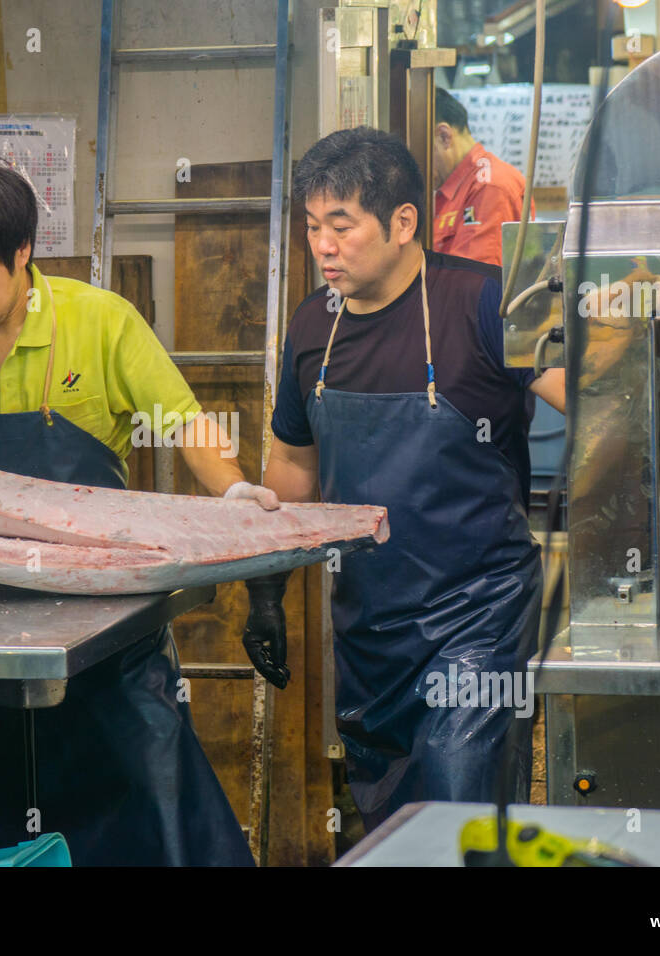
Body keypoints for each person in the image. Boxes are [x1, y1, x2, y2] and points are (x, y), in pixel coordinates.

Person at [0, 157, 276, 865]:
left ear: (24, 253)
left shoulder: (98, 323)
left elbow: (184, 423)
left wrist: (233, 492)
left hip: (108, 630)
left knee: (153, 815)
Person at [239, 127, 565, 832]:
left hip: (479, 621)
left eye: (341, 226)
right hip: (372, 632)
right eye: (311, 227)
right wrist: (264, 588)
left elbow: (605, 401)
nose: (322, 246)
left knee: (460, 820)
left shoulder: (488, 302)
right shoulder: (308, 329)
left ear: (403, 223)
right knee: (391, 828)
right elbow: (293, 469)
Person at [432, 87, 533, 267]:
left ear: (444, 137)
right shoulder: (452, 190)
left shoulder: (489, 187)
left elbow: (473, 282)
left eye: (416, 149)